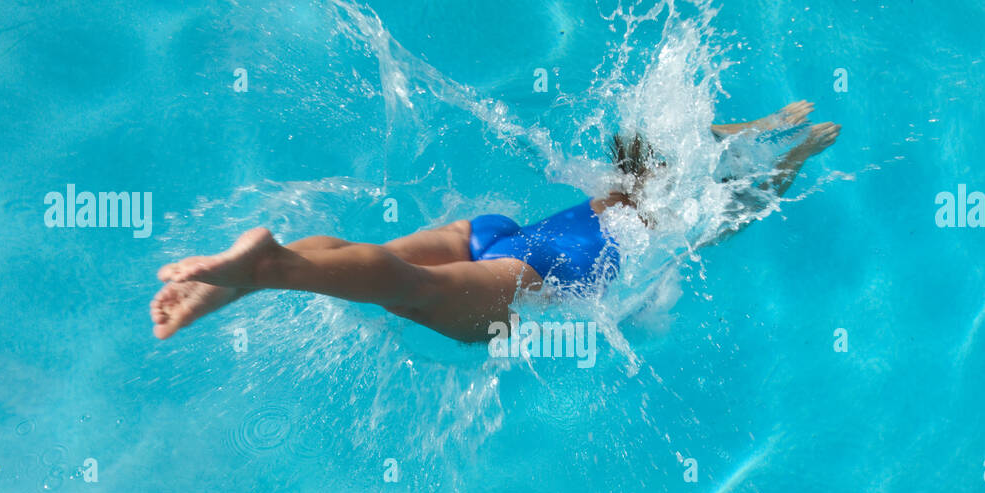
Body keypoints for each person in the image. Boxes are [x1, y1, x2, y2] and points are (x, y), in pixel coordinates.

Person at [150, 101, 839, 343]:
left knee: (377, 254)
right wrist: (793, 157)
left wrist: (769, 126)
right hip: (539, 273)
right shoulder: (677, 223)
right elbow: (743, 200)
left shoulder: (618, 191)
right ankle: (268, 267)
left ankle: (239, 279)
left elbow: (687, 140)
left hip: (495, 232)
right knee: (404, 286)